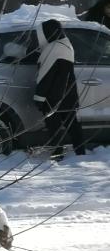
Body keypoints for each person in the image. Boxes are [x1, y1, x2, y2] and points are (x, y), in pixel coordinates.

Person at [35, 18, 86, 158]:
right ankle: (80, 152)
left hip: (53, 96)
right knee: (72, 124)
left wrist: (39, 98)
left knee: (54, 126)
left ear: (47, 33)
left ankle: (58, 154)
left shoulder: (53, 49)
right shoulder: (65, 44)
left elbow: (47, 76)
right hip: (68, 93)